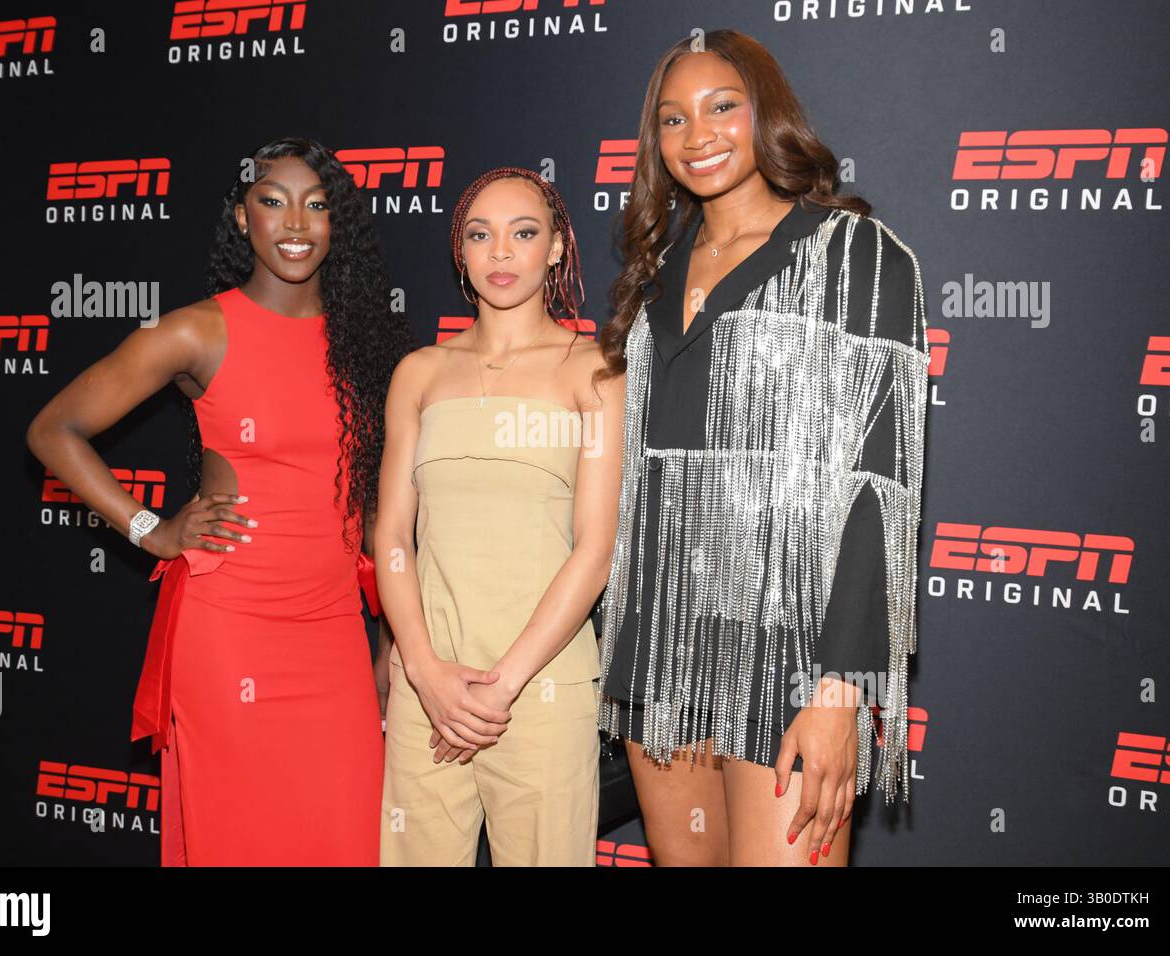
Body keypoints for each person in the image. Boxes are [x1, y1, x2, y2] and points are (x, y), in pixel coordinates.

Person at [25, 136, 412, 865]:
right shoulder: (197, 330)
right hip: (230, 628)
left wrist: (388, 643)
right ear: (242, 218)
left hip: (332, 637)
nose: (295, 223)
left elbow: (373, 510)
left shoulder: (366, 341)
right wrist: (151, 529)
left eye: (316, 205)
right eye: (273, 201)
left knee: (347, 838)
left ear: (339, 224)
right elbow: (54, 430)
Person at [595, 30, 930, 866]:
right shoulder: (656, 268)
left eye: (721, 108)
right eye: (672, 120)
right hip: (662, 647)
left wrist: (839, 691)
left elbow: (877, 485)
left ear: (766, 113)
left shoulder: (856, 257)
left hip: (790, 653)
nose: (697, 135)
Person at [374, 167, 624, 866]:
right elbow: (391, 536)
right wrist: (423, 672)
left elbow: (596, 548)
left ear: (556, 248)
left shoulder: (594, 370)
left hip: (540, 691)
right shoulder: (419, 374)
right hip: (427, 689)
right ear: (461, 252)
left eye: (524, 233)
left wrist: (498, 689)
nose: (502, 253)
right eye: (481, 236)